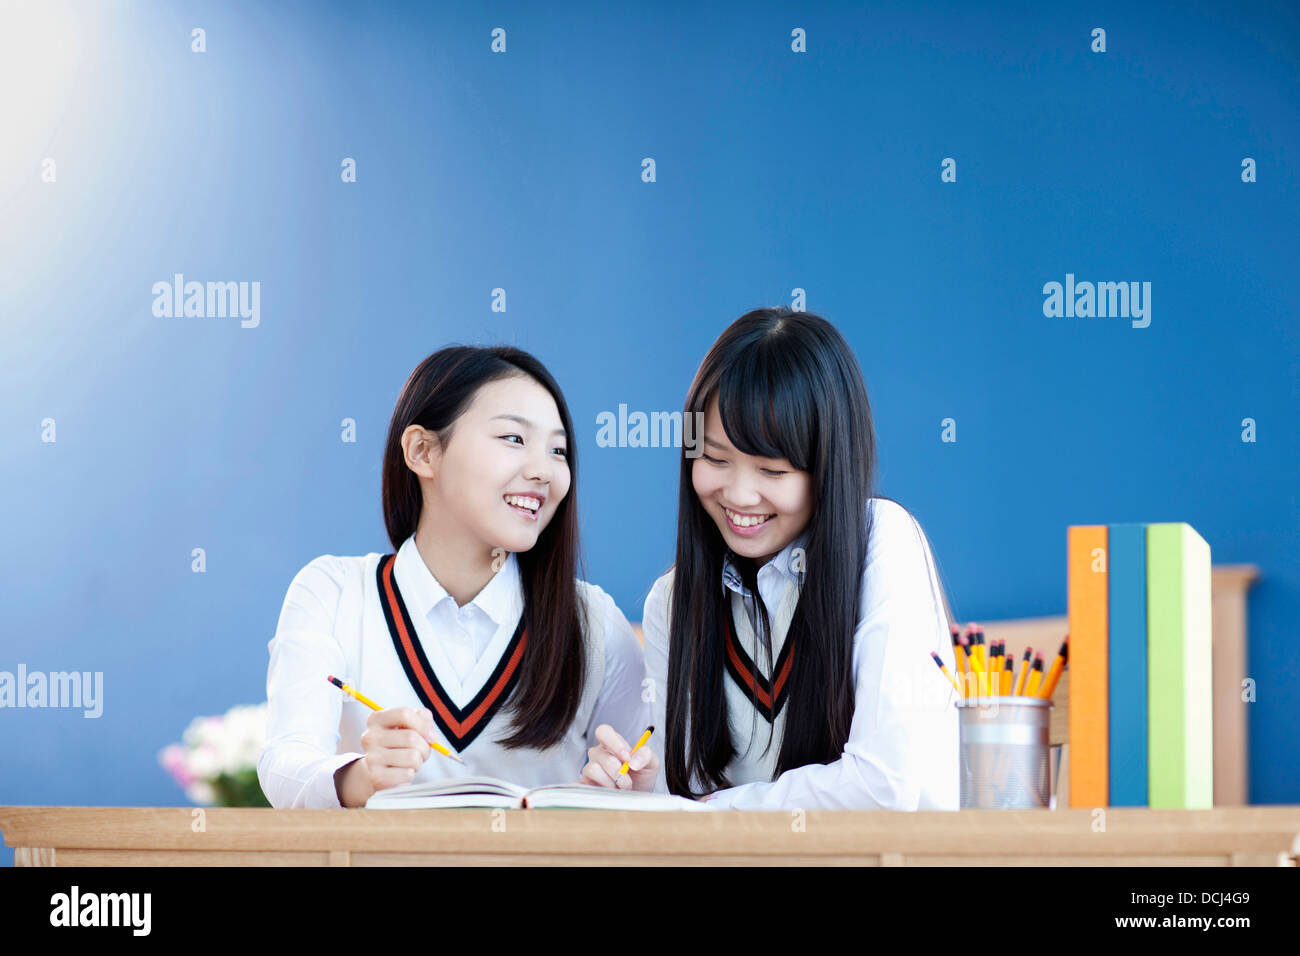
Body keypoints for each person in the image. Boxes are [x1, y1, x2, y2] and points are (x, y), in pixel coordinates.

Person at [579, 308, 959, 809]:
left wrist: (702, 815)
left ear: (828, 466)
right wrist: (646, 792)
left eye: (772, 470)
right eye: (715, 459)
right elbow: (683, 805)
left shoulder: (880, 542)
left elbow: (882, 787)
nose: (739, 494)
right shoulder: (673, 603)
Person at [258, 346, 648, 808]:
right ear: (422, 451)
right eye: (513, 438)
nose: (544, 471)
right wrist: (362, 776)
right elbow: (285, 764)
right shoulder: (334, 592)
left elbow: (650, 776)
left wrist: (621, 787)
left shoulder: (592, 621)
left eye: (558, 449)